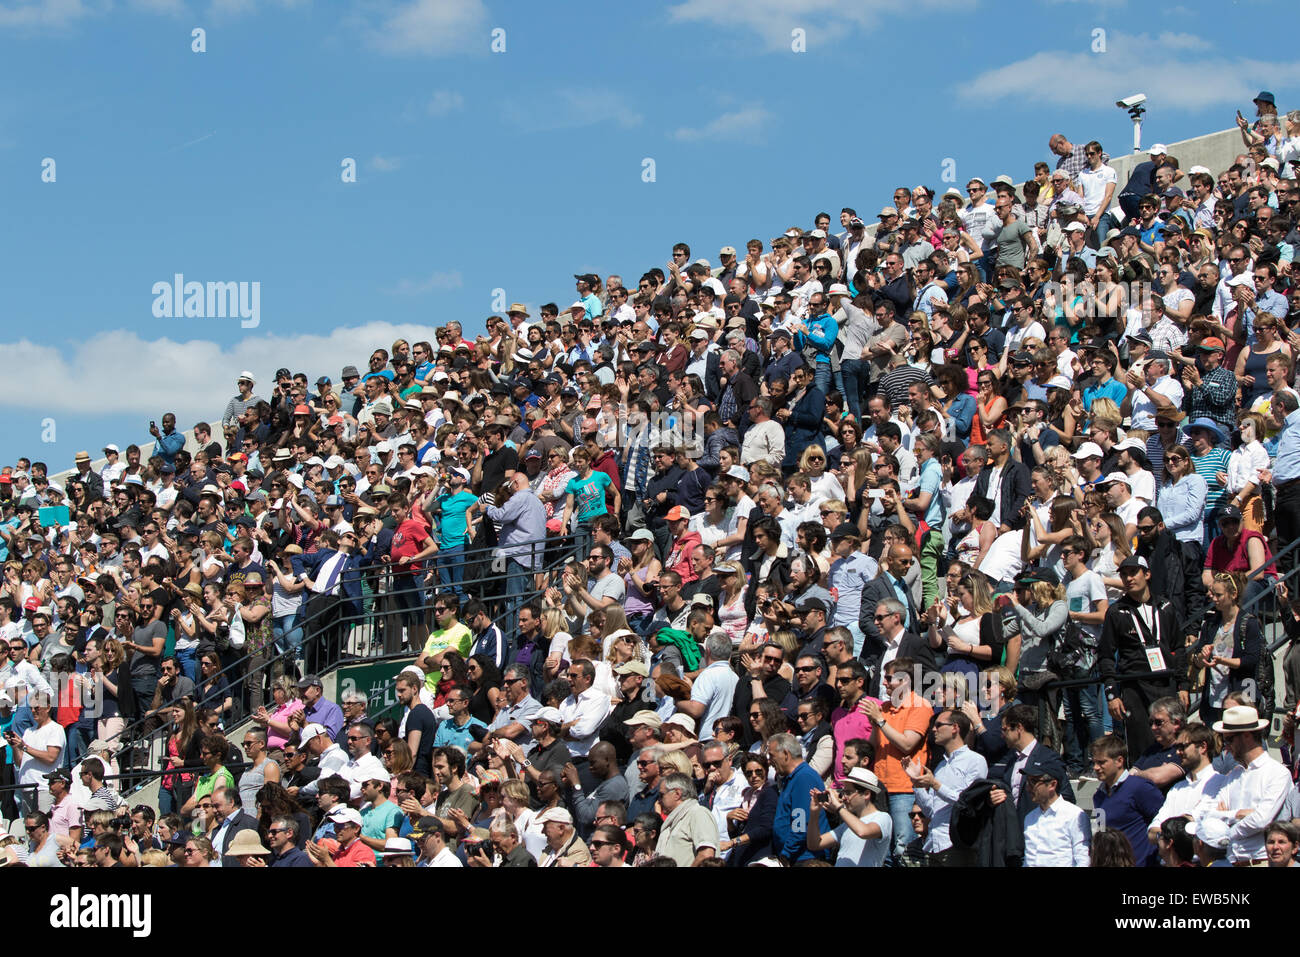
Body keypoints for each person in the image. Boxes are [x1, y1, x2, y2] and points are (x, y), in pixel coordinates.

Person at [1098, 556, 1185, 757]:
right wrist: (1112, 694)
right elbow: (1106, 655)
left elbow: (1178, 647)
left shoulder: (1165, 607)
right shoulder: (1117, 611)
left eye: (1133, 572)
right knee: (1142, 748)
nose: (1128, 578)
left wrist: (1184, 685)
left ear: (1147, 574)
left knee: (1172, 744)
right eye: (1124, 574)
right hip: (1134, 686)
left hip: (1165, 684)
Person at [1212, 704, 1293, 865]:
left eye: (1229, 740)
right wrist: (1238, 814)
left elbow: (1261, 820)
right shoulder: (1233, 775)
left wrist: (1228, 830)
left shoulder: (1277, 773)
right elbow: (1211, 815)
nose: (1226, 747)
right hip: (1232, 860)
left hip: (1262, 861)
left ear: (1247, 735)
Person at [906, 708, 988, 864]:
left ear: (955, 728)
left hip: (956, 844)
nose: (933, 729)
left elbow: (968, 805)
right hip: (935, 844)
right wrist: (916, 782)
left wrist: (935, 785)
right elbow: (931, 810)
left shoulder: (975, 761)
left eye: (938, 725)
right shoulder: (941, 766)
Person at [1090, 734, 1164, 867]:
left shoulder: (1140, 787)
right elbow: (1101, 833)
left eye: (1101, 762)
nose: (1095, 767)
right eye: (1094, 762)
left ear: (1119, 761)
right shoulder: (1098, 796)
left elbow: (1163, 822)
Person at [805, 766, 892, 867]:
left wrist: (839, 807)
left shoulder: (883, 817)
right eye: (843, 792)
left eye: (848, 793)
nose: (844, 797)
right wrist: (814, 813)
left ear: (866, 794)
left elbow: (863, 832)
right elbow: (814, 844)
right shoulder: (848, 824)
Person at [767, 732, 828, 865]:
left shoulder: (804, 778)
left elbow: (800, 824)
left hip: (805, 858)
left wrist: (786, 854)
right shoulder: (791, 779)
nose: (769, 761)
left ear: (786, 754)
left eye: (772, 756)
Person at [1020, 753, 1091, 867]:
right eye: (1027, 782)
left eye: (1034, 782)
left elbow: (1083, 859)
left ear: (1052, 785)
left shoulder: (1074, 815)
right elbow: (1029, 859)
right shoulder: (1029, 818)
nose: (1028, 787)